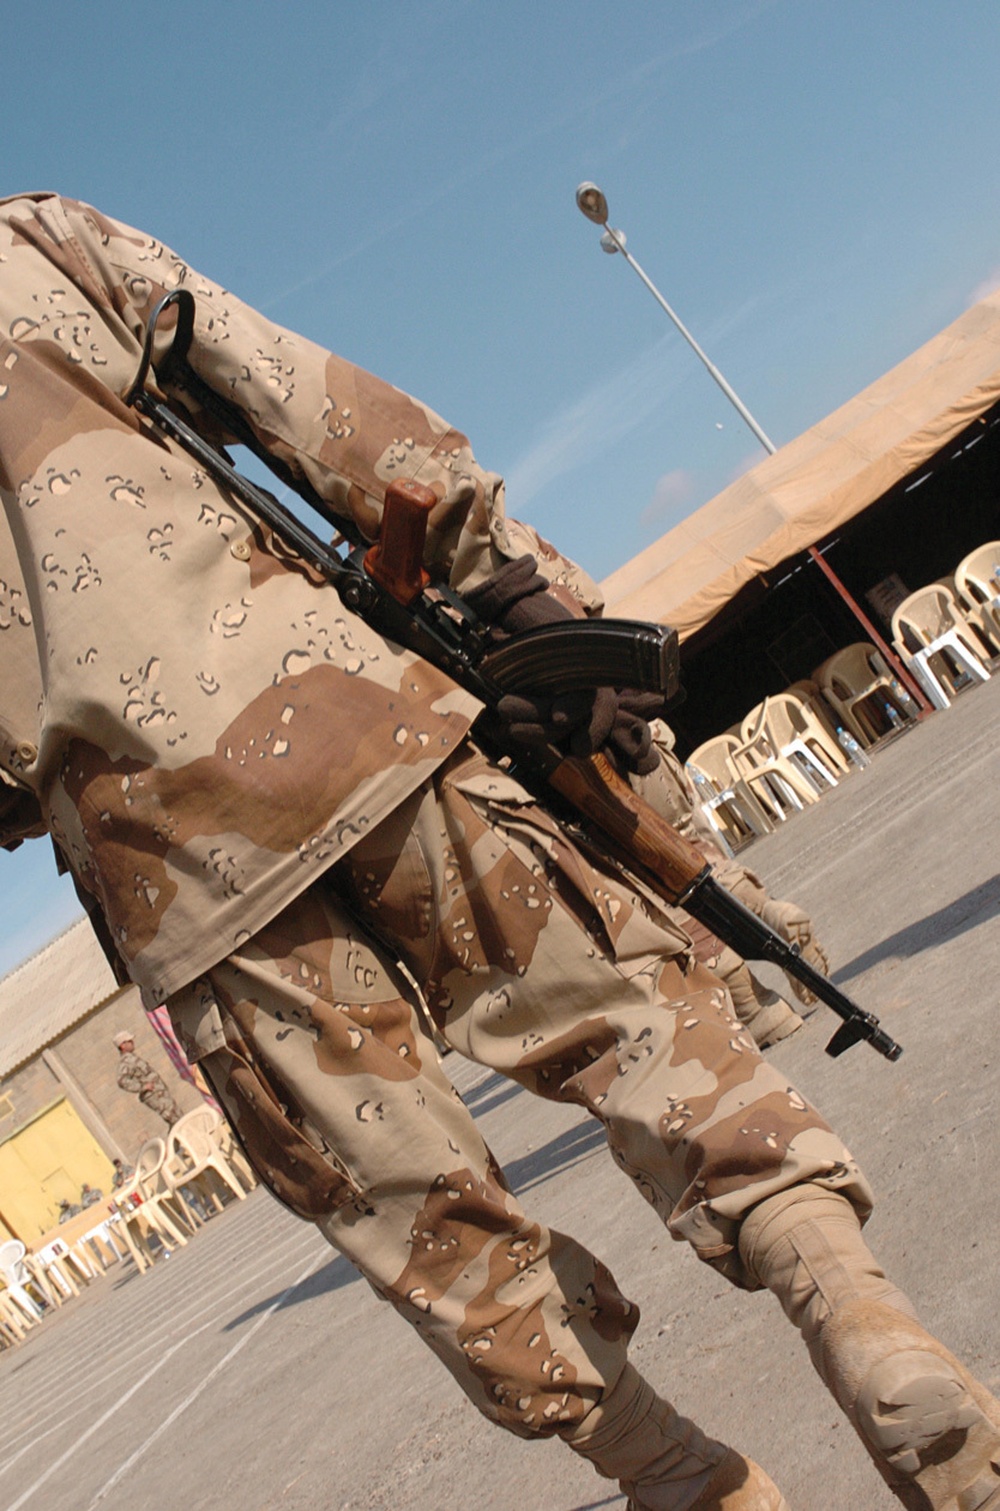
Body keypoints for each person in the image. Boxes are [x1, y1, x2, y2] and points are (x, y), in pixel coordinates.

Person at [0, 192, 997, 1510]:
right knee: (636, 1029)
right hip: (367, 726)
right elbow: (318, 411)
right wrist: (506, 584)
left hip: (176, 873)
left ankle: (681, 1474)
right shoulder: (36, 241)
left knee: (423, 1209)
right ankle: (857, 1315)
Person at [112, 1031, 183, 1126]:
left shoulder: (132, 1057)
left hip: (159, 1092)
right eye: (129, 1041)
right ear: (122, 1046)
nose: (132, 1043)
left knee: (178, 1116)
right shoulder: (126, 1062)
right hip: (154, 1096)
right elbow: (122, 1081)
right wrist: (142, 1087)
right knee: (174, 1119)